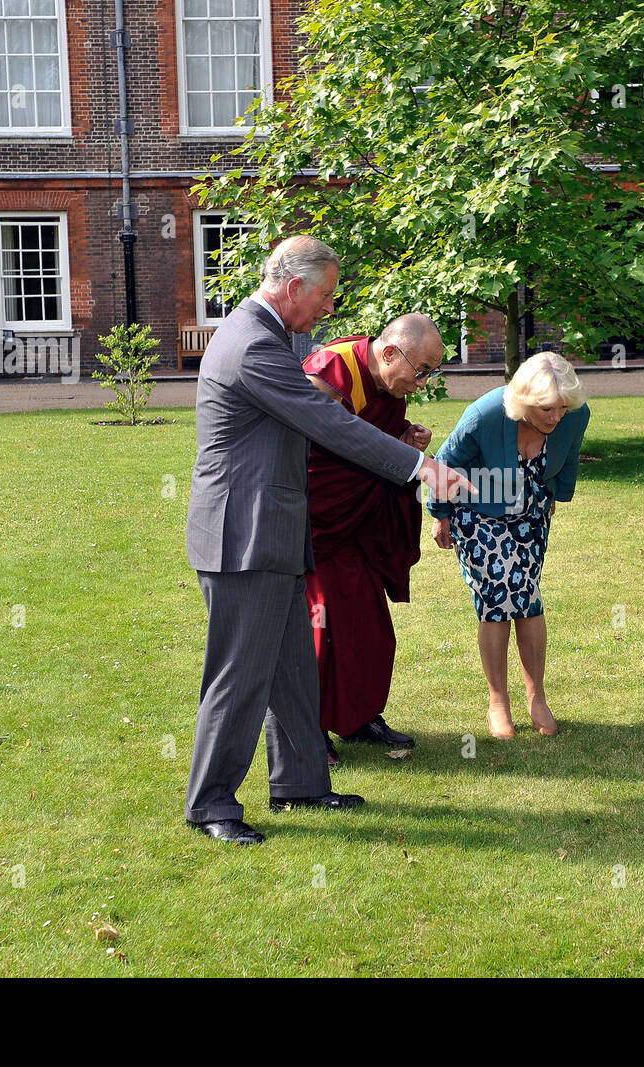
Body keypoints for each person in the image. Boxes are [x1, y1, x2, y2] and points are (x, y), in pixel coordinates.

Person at [184, 235, 472, 846]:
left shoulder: (274, 337)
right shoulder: (251, 345)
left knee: (292, 667)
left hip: (276, 531)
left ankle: (301, 783)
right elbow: (329, 422)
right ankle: (211, 804)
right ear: (293, 288)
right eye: (325, 296)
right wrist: (424, 468)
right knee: (239, 676)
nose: (329, 309)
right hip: (243, 536)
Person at [302, 314, 445, 767]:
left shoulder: (383, 385)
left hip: (357, 524)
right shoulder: (331, 371)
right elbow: (313, 444)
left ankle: (359, 717)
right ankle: (309, 729)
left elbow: (369, 441)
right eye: (420, 371)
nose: (420, 384)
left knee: (369, 629)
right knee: (319, 631)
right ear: (388, 353)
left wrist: (404, 439)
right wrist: (400, 454)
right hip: (316, 524)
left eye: (429, 374)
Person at [428, 352, 590, 740]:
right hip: (477, 508)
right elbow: (444, 462)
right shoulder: (485, 414)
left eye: (561, 408)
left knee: (528, 595)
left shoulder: (575, 414)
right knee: (498, 597)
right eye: (546, 409)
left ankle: (537, 697)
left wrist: (555, 496)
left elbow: (567, 460)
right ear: (524, 401)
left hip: (531, 511)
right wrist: (439, 514)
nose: (555, 417)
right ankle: (498, 700)